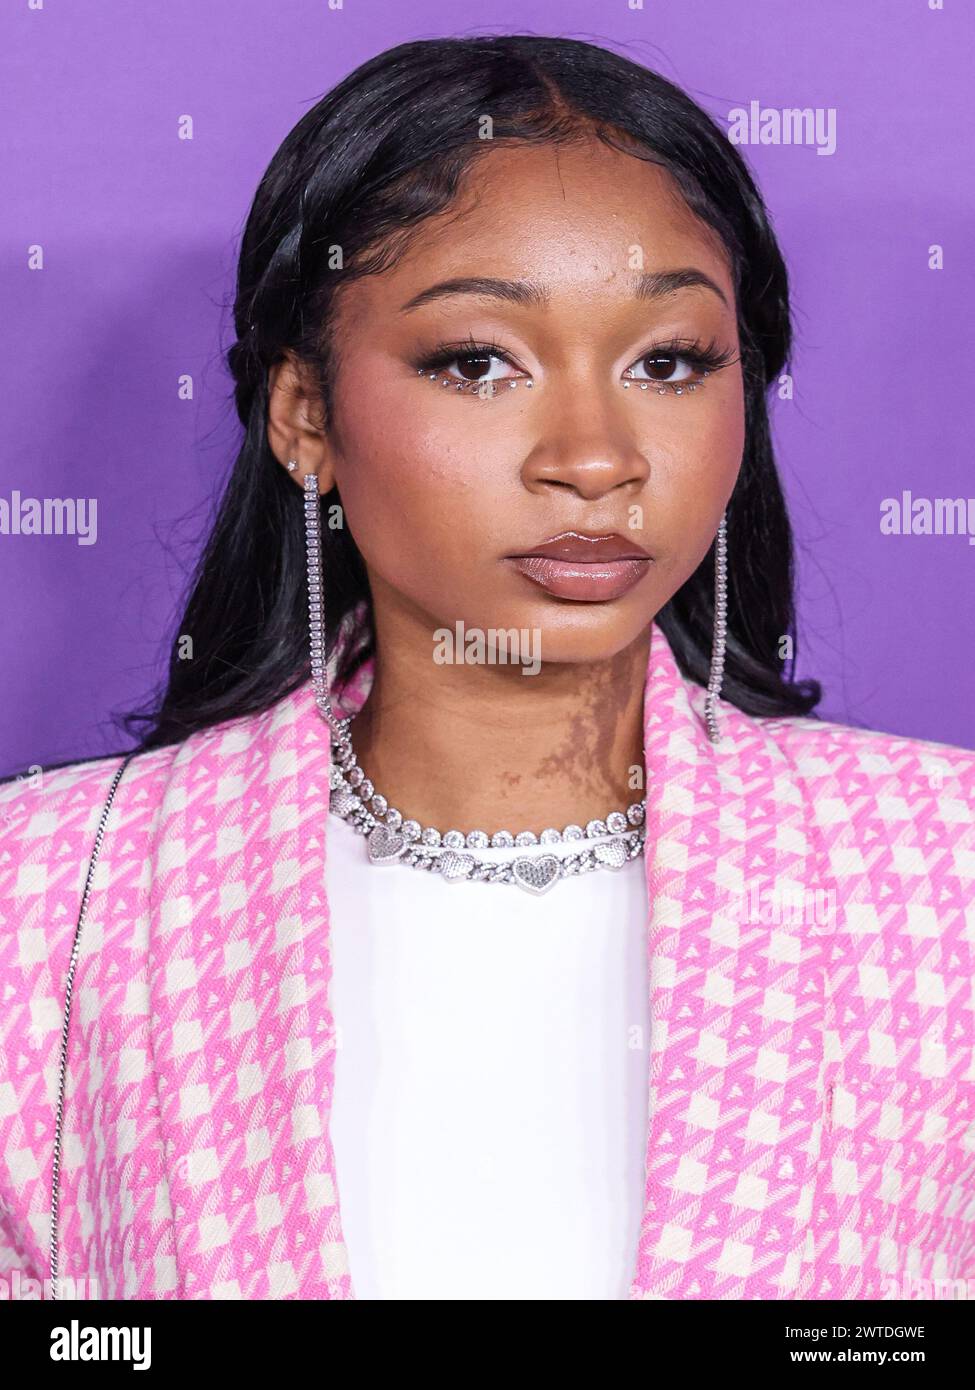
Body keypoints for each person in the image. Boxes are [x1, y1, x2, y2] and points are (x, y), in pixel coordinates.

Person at [1, 35, 973, 1302]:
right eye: (478, 362)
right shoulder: (42, 902)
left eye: (667, 362)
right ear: (306, 415)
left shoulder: (944, 872)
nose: (593, 455)